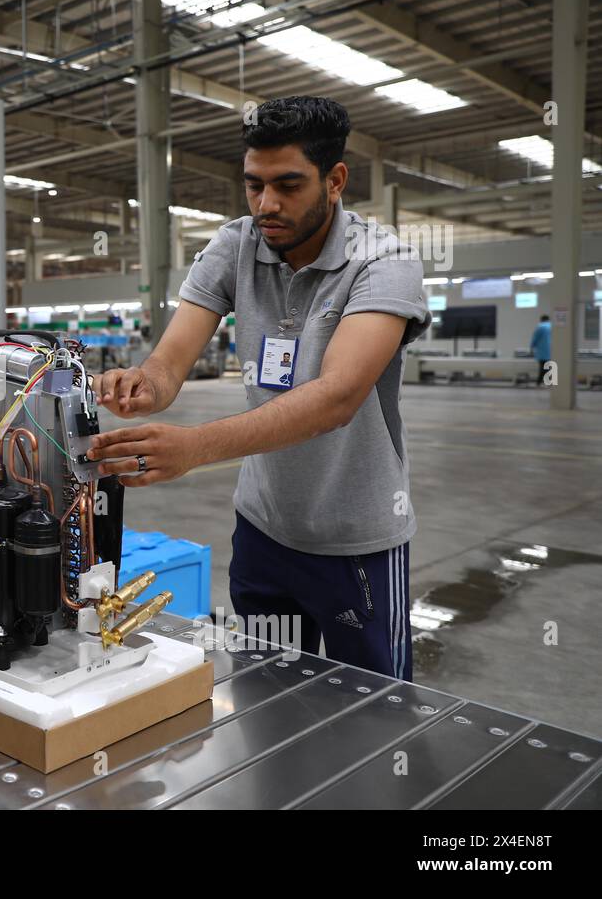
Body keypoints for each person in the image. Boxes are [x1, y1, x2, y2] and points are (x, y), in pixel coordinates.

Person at [89, 96, 430, 681]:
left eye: (289, 185)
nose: (267, 205)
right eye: (254, 185)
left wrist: (195, 447)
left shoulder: (383, 261)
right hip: (263, 535)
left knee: (377, 711)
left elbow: (337, 398)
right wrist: (141, 385)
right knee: (266, 696)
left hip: (357, 545)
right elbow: (169, 364)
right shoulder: (235, 245)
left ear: (335, 179)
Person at [530, 314, 551, 385]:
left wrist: (531, 348)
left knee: (542, 367)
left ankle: (539, 382)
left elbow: (535, 339)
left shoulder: (540, 327)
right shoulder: (552, 326)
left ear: (541, 320)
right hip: (552, 351)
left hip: (542, 352)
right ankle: (549, 382)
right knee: (550, 367)